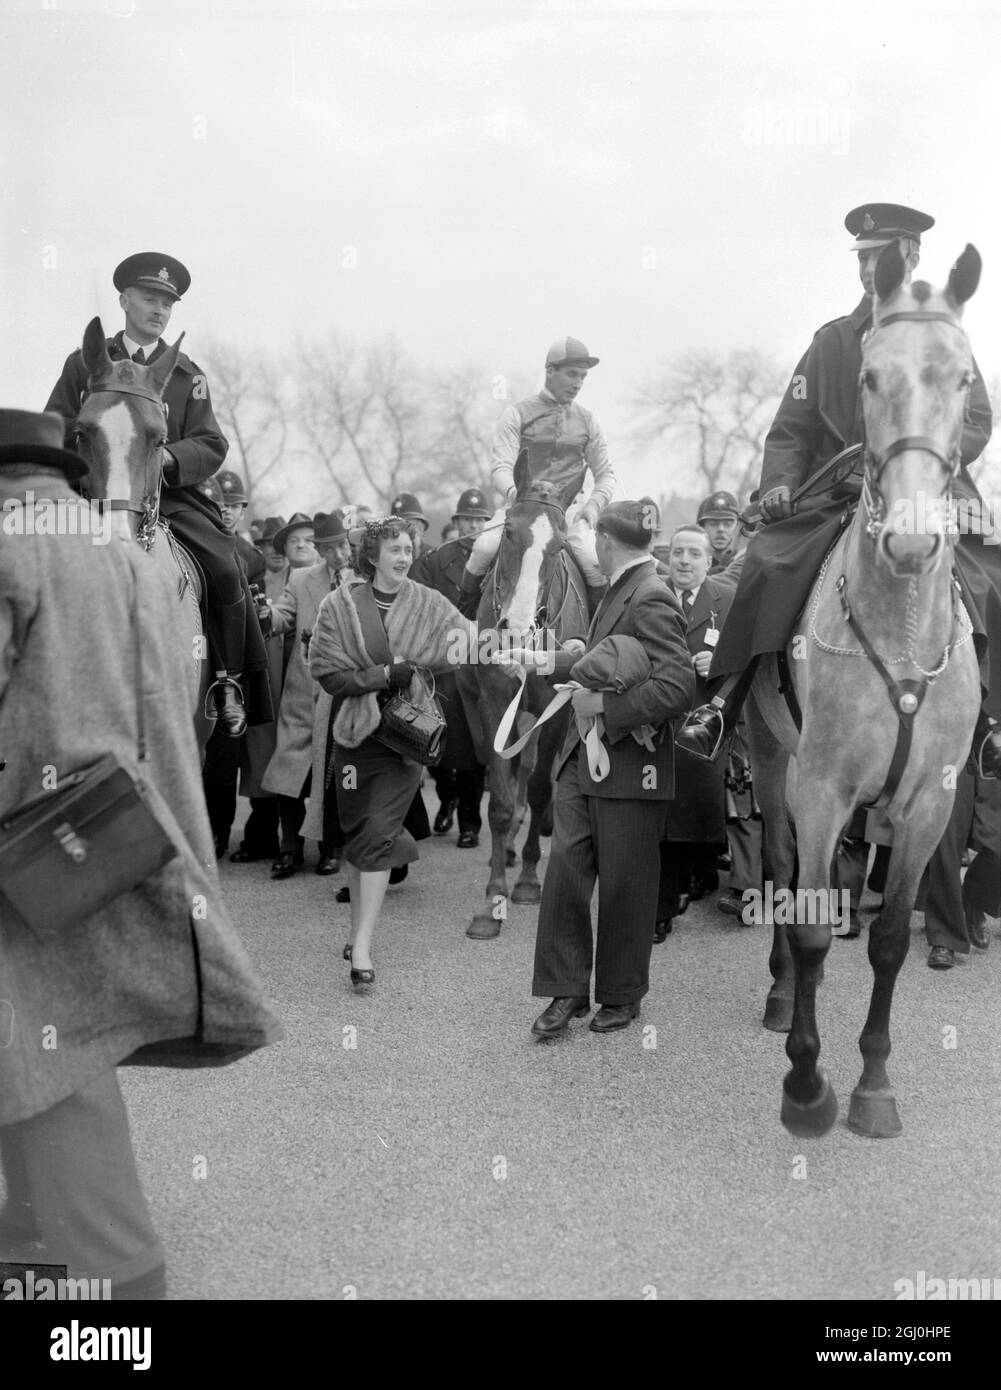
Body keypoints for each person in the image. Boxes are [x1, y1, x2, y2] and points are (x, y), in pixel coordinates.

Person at [0, 408, 281, 1298]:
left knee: (41, 1056)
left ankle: (109, 1294)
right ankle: (37, 1251)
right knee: (58, 1040)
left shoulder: (9, 550)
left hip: (23, 850)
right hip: (116, 834)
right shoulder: (127, 554)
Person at [677, 204, 999, 775]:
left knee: (990, 574)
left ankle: (990, 723)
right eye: (865, 257)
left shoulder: (944, 335)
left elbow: (975, 418)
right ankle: (723, 703)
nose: (871, 267)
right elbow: (790, 430)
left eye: (884, 255)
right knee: (768, 565)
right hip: (836, 497)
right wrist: (779, 485)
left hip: (927, 492)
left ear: (913, 256)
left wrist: (923, 456)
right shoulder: (831, 342)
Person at [45, 252, 266, 738]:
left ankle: (226, 682)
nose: (160, 309)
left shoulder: (189, 375)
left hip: (169, 499)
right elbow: (58, 425)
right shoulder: (85, 363)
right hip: (93, 494)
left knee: (228, 568)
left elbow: (213, 443)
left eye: (168, 302)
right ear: (124, 300)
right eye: (150, 298)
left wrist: (165, 458)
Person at [520, 500, 695, 1037]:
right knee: (567, 871)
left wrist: (607, 709)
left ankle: (621, 995)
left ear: (605, 541)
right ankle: (566, 990)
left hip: (627, 760)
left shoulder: (651, 593)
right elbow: (618, 659)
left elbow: (677, 685)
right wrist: (568, 657)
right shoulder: (624, 585)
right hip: (584, 755)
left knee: (625, 881)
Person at [308, 517, 479, 987]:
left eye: (408, 549)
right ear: (373, 555)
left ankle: (362, 947)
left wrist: (532, 642)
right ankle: (357, 932)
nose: (404, 557)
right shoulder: (339, 605)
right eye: (394, 550)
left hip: (405, 742)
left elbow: (471, 638)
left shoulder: (428, 602)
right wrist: (384, 675)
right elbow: (326, 673)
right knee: (360, 837)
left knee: (380, 838)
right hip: (355, 739)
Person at [465, 337, 617, 605]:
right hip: (522, 509)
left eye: (582, 376)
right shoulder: (517, 413)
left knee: (593, 564)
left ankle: (595, 634)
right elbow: (501, 466)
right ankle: (465, 617)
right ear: (550, 371)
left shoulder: (588, 421)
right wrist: (515, 493)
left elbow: (606, 475)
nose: (577, 383)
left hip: (566, 514)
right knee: (483, 548)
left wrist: (593, 506)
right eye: (571, 374)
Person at [654, 527, 735, 941]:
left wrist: (720, 662)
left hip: (704, 722)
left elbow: (747, 662)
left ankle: (691, 879)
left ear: (708, 562)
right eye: (677, 552)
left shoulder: (727, 602)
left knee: (691, 813)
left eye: (693, 555)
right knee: (661, 819)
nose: (684, 561)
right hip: (656, 720)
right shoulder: (651, 595)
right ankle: (661, 908)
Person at [260, 512, 342, 878]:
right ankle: (289, 848)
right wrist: (265, 613)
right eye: (330, 547)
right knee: (289, 774)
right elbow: (282, 618)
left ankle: (330, 849)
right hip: (301, 692)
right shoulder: (302, 578)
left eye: (342, 545)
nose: (337, 553)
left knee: (334, 777)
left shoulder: (362, 580)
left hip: (342, 697)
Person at [410, 486, 492, 846]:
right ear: (456, 522)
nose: (473, 524)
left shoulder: (501, 559)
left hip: (478, 665)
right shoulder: (435, 559)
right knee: (437, 745)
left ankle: (471, 824)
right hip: (441, 665)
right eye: (467, 518)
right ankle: (447, 800)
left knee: (475, 749)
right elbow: (415, 605)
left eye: (480, 519)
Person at [697, 491, 745, 575]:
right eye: (713, 524)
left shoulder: (744, 563)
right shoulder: (692, 564)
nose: (720, 529)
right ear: (703, 527)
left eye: (728, 524)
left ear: (737, 526)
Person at [389, 492, 430, 559]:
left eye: (409, 525)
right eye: (397, 527)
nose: (402, 531)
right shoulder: (389, 558)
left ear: (421, 528)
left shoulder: (434, 559)